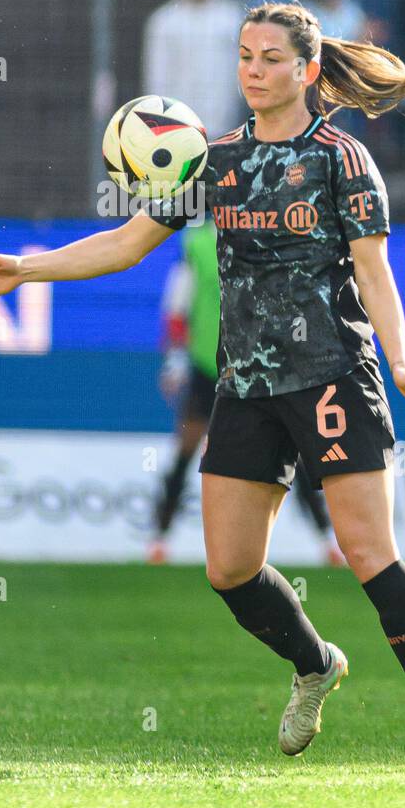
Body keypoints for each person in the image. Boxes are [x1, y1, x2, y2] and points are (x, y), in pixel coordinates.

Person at [0, 2, 405, 772]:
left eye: (271, 58)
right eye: (244, 56)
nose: (254, 71)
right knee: (229, 569)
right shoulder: (212, 160)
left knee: (370, 553)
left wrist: (400, 360)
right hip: (245, 385)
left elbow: (375, 272)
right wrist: (23, 267)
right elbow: (127, 243)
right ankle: (315, 664)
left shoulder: (341, 159)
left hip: (335, 375)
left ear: (307, 71)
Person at [150, 215, 344, 565]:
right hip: (208, 366)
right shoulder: (197, 244)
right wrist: (176, 359)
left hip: (260, 366)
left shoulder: (267, 238)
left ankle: (327, 538)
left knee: (294, 452)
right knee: (185, 451)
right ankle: (160, 538)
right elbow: (177, 306)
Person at [141, 0, 244, 140]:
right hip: (177, 131)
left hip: (225, 128)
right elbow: (156, 80)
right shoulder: (164, 20)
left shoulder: (232, 18)